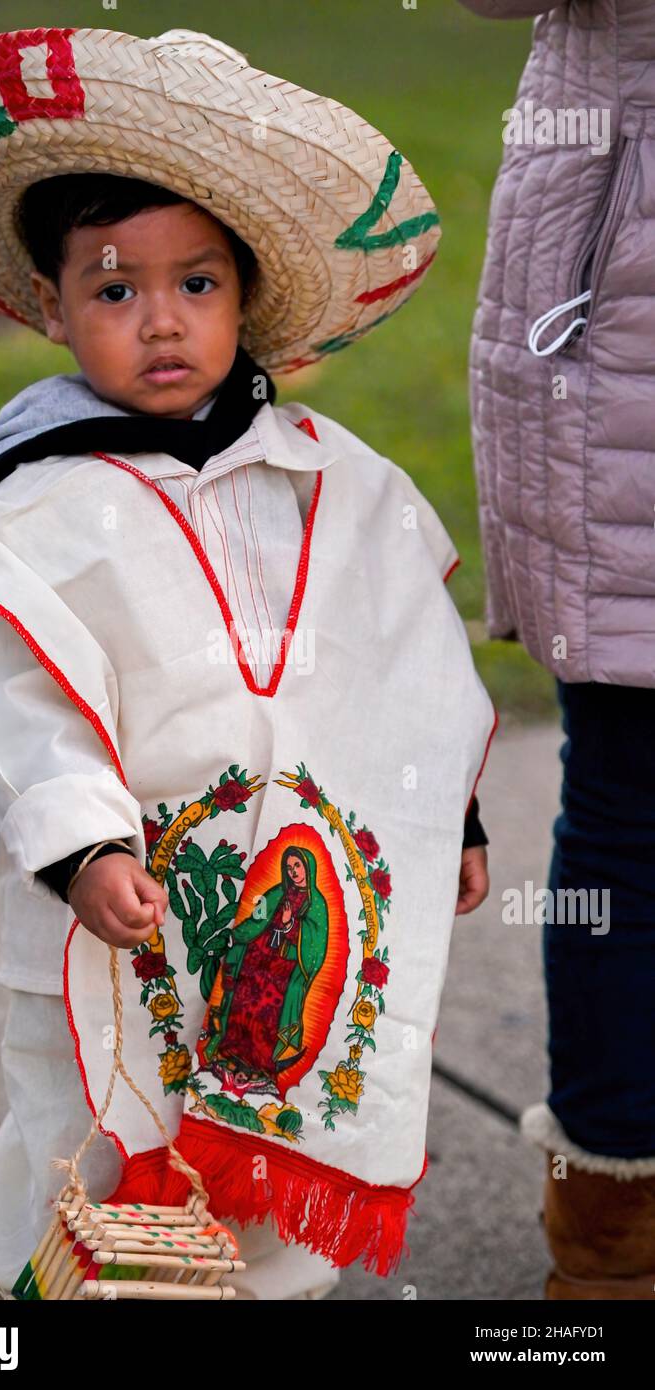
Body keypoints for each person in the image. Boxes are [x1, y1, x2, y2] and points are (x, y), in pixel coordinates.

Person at [0, 25, 496, 1300]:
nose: (159, 321)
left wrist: (453, 815)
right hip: (112, 919)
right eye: (113, 291)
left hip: (296, 924)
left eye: (197, 284)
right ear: (49, 306)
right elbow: (20, 700)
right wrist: (82, 847)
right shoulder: (21, 508)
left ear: (247, 296)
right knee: (86, 1147)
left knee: (276, 1145)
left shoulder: (333, 480)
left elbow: (404, 667)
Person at [456, 0, 655, 1299]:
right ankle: (613, 1227)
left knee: (627, 811)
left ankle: (610, 1236)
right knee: (633, 798)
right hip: (624, 289)